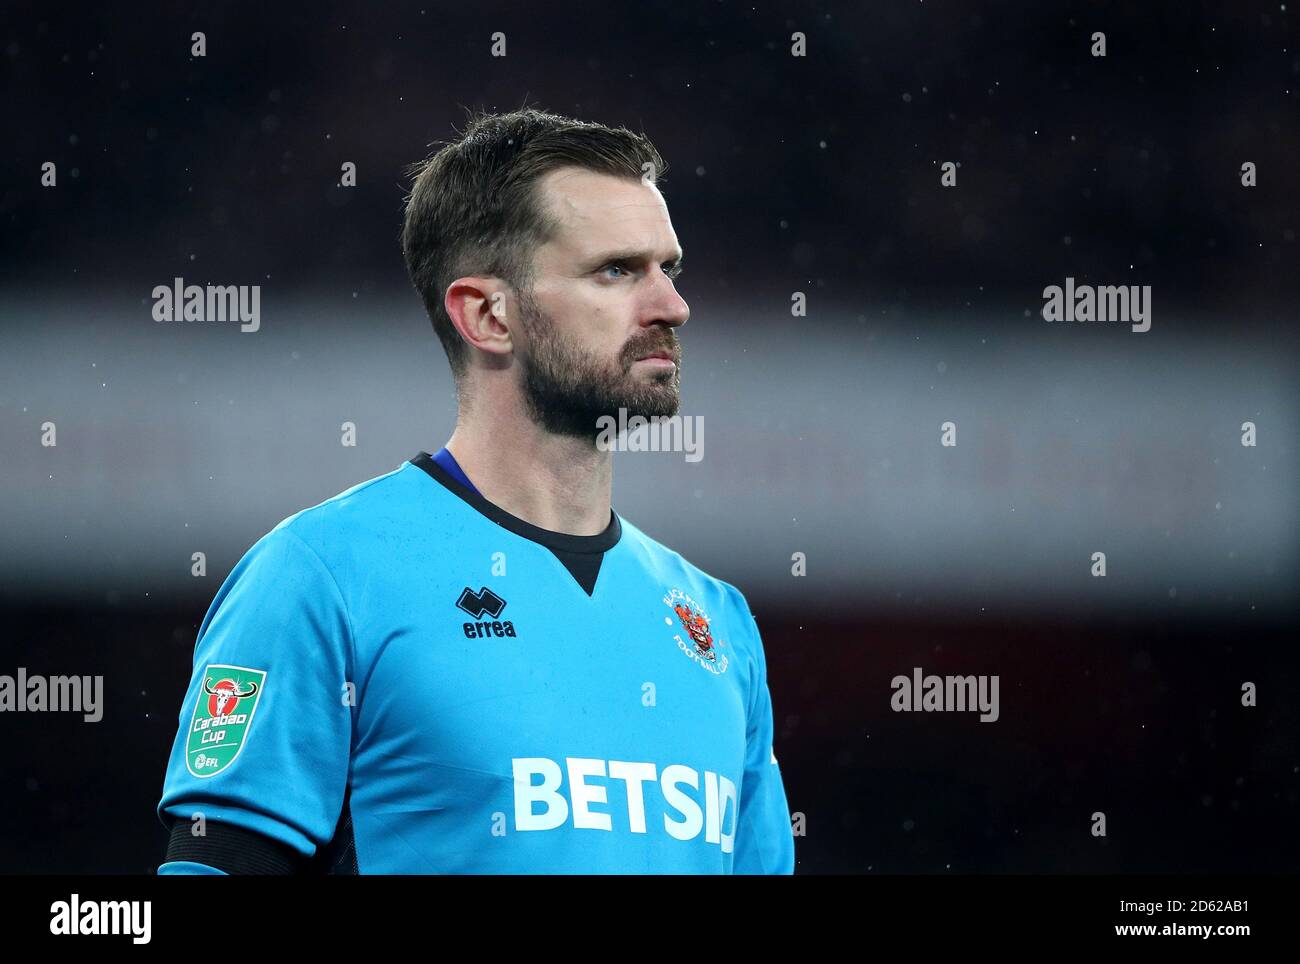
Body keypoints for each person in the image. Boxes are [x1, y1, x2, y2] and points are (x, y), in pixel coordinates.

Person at [155, 108, 794, 873]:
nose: (672, 306)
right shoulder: (321, 576)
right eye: (616, 271)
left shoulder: (718, 625)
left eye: (669, 268)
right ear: (489, 315)